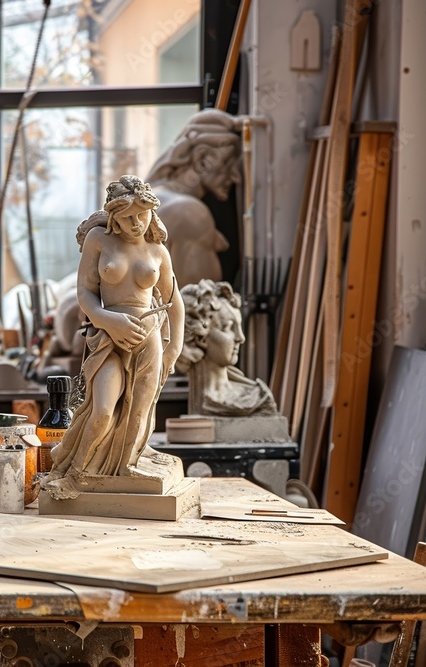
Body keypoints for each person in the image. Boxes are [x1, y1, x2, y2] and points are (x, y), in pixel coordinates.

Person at [43, 176, 184, 498]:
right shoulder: (99, 239)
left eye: (142, 215)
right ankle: (74, 472)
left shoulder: (158, 251)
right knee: (103, 410)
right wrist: (107, 319)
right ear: (114, 219)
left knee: (139, 411)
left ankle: (127, 466)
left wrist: (174, 347)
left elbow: (174, 301)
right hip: (107, 338)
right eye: (127, 218)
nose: (136, 224)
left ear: (152, 212)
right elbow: (85, 292)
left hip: (148, 340)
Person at [145, 109, 242, 286]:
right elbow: (202, 306)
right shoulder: (189, 213)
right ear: (202, 159)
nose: (236, 176)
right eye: (229, 162)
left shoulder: (153, 197)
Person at [177, 279, 277, 416]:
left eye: (239, 328)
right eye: (229, 328)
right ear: (201, 338)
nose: (241, 338)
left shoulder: (256, 398)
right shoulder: (202, 401)